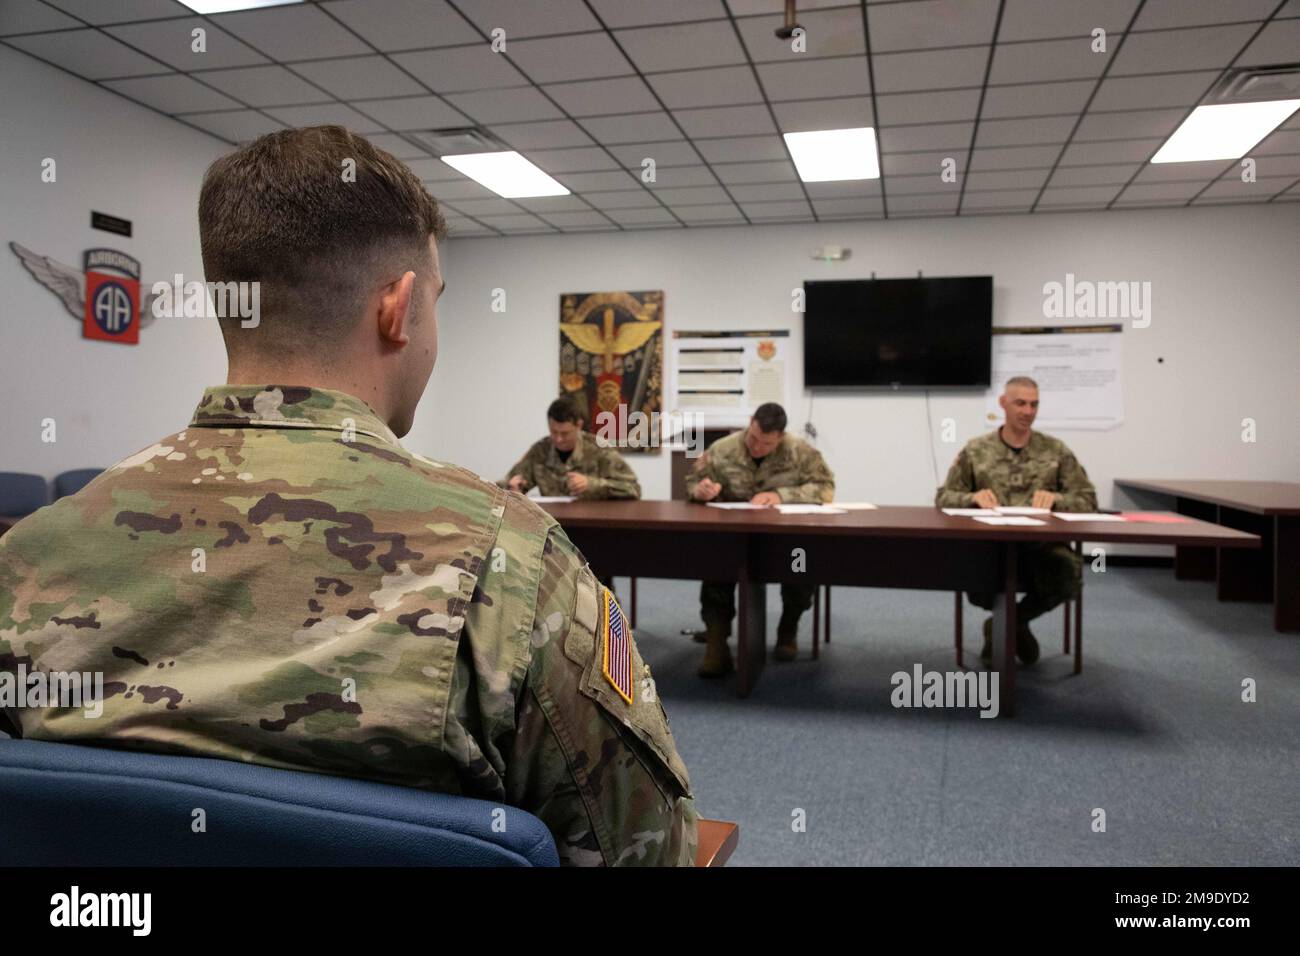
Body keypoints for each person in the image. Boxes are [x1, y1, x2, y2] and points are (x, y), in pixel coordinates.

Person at [0, 126, 696, 867]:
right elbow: (653, 851)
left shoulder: (27, 555)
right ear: (398, 309)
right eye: (436, 300)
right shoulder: (511, 560)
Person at [935, 376, 1098, 665]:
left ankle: (1005, 626)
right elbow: (944, 497)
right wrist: (971, 498)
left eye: (1034, 404)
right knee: (971, 575)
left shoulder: (1056, 451)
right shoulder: (976, 450)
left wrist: (1057, 500)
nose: (1027, 411)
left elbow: (1088, 500)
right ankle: (1013, 626)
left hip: (1041, 547)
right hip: (990, 546)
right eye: (1020, 403)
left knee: (1068, 573)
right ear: (1003, 404)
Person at [685, 402, 835, 676]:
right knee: (715, 571)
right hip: (735, 535)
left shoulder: (800, 452)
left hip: (786, 536)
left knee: (801, 569)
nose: (756, 447)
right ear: (751, 422)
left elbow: (825, 487)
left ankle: (787, 629)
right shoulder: (723, 448)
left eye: (766, 444)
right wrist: (702, 490)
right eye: (753, 438)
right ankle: (717, 645)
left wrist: (782, 496)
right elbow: (693, 481)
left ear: (779, 437)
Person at [503, 396, 641, 500]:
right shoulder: (540, 451)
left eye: (565, 433)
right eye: (553, 432)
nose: (558, 439)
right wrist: (512, 489)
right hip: (553, 530)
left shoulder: (600, 450)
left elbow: (633, 489)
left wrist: (592, 485)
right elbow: (509, 483)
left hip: (595, 527)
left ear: (579, 425)